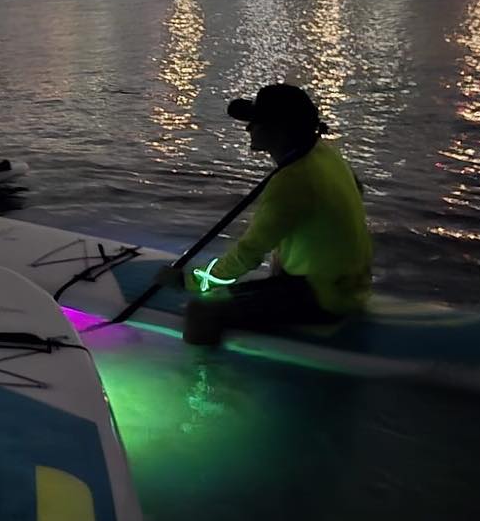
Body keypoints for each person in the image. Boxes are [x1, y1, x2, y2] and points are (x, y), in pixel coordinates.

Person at [159, 83, 372, 345]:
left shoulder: (292, 182)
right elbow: (355, 192)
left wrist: (189, 281)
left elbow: (247, 255)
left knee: (200, 312)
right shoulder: (326, 154)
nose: (248, 128)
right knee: (279, 260)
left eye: (256, 122)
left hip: (322, 297)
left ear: (279, 131)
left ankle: (202, 382)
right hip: (353, 286)